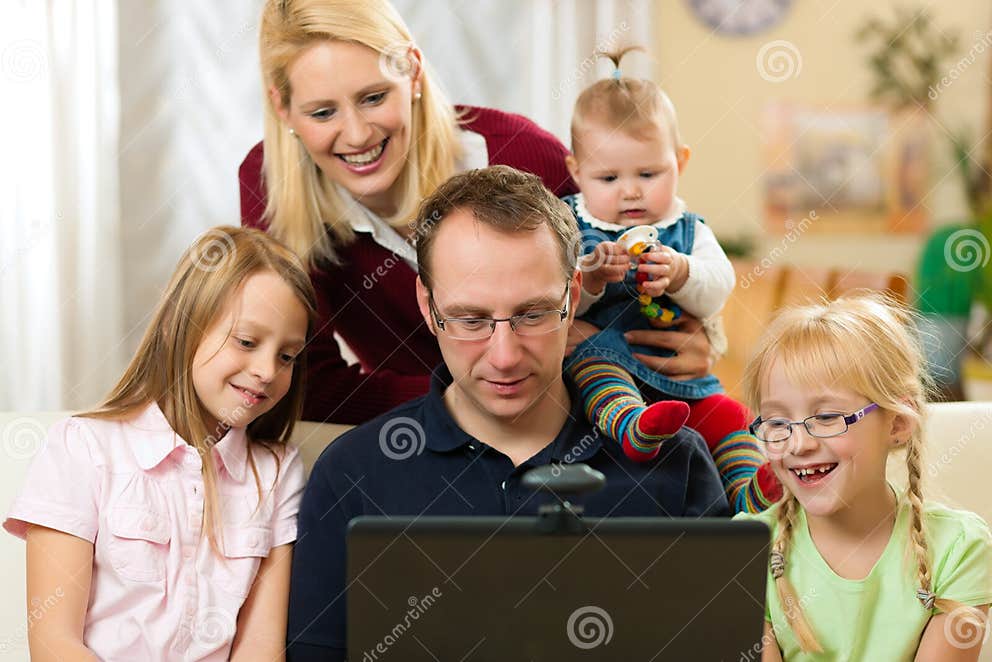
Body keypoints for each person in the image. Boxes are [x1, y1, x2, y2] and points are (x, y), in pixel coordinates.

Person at [286, 166, 730, 660]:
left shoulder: (674, 463)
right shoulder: (352, 475)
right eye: (471, 319)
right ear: (428, 306)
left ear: (573, 294)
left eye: (533, 314)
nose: (504, 356)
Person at [240, 0, 717, 424]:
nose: (358, 134)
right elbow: (305, 383)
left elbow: (649, 256)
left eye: (373, 97)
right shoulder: (269, 185)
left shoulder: (524, 154)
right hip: (419, 437)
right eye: (323, 113)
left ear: (412, 71)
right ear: (281, 107)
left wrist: (699, 339)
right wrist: (469, 395)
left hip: (575, 422)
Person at [4, 227, 316, 661]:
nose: (267, 370)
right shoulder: (83, 448)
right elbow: (54, 643)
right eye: (246, 342)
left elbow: (260, 647)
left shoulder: (278, 472)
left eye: (287, 356)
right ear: (178, 326)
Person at [562, 48, 779, 513]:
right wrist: (592, 280)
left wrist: (682, 271)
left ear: (680, 162)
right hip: (609, 371)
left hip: (681, 380)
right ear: (576, 173)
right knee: (594, 365)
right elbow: (553, 302)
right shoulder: (568, 227)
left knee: (728, 416)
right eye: (608, 176)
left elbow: (718, 286)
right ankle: (633, 427)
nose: (631, 190)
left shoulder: (688, 230)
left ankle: (749, 491)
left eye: (648, 172)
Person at [735, 294, 991, 661]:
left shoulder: (958, 547)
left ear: (898, 424)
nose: (799, 443)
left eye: (826, 417)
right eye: (777, 422)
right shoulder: (747, 547)